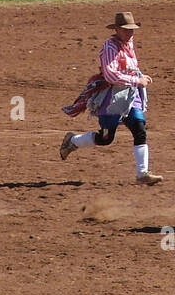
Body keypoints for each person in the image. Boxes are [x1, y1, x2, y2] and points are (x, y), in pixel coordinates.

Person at [59, 11, 162, 185]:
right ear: (117, 29)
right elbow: (111, 75)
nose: (130, 33)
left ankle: (142, 173)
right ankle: (73, 141)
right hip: (111, 97)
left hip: (129, 94)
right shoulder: (109, 47)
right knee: (106, 138)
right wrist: (137, 80)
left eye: (132, 30)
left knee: (139, 128)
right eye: (126, 30)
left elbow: (128, 68)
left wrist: (138, 78)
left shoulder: (129, 43)